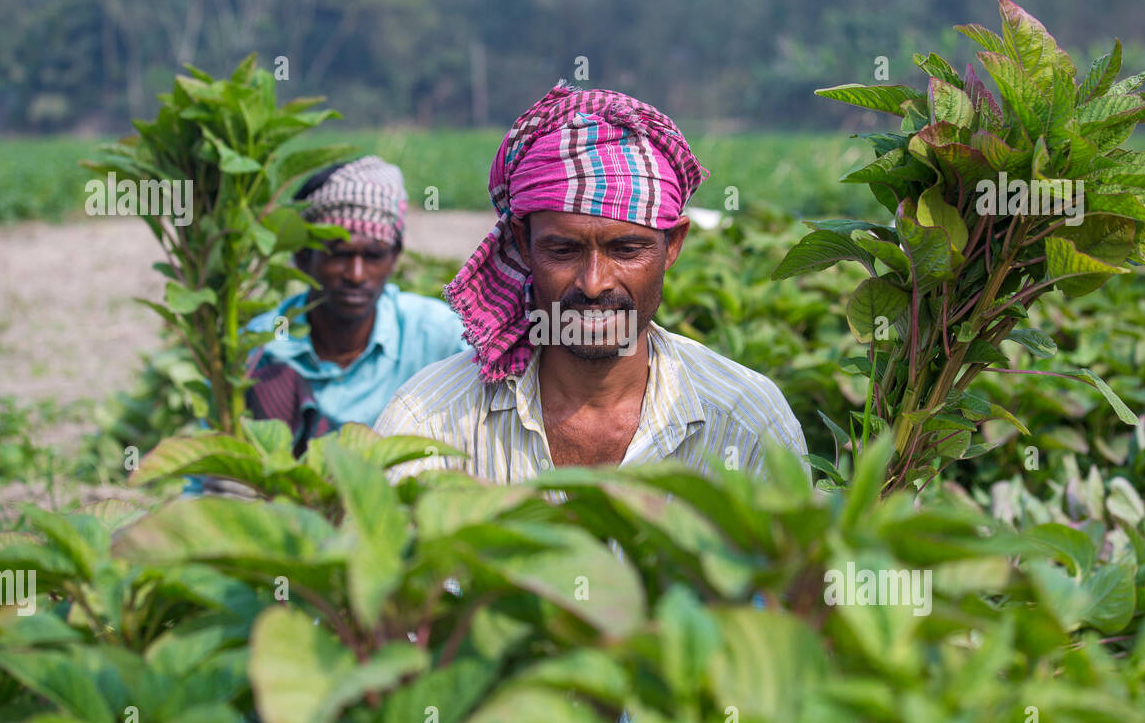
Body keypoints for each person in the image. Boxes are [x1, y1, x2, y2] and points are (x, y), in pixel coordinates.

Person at [374, 83, 810, 484]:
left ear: (673, 244)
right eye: (563, 251)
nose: (594, 283)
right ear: (523, 246)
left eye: (626, 250)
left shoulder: (748, 423)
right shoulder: (431, 421)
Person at [244, 155, 466, 455]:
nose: (356, 275)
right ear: (302, 257)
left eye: (374, 256)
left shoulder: (438, 336)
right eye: (338, 255)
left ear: (395, 255)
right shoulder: (263, 346)